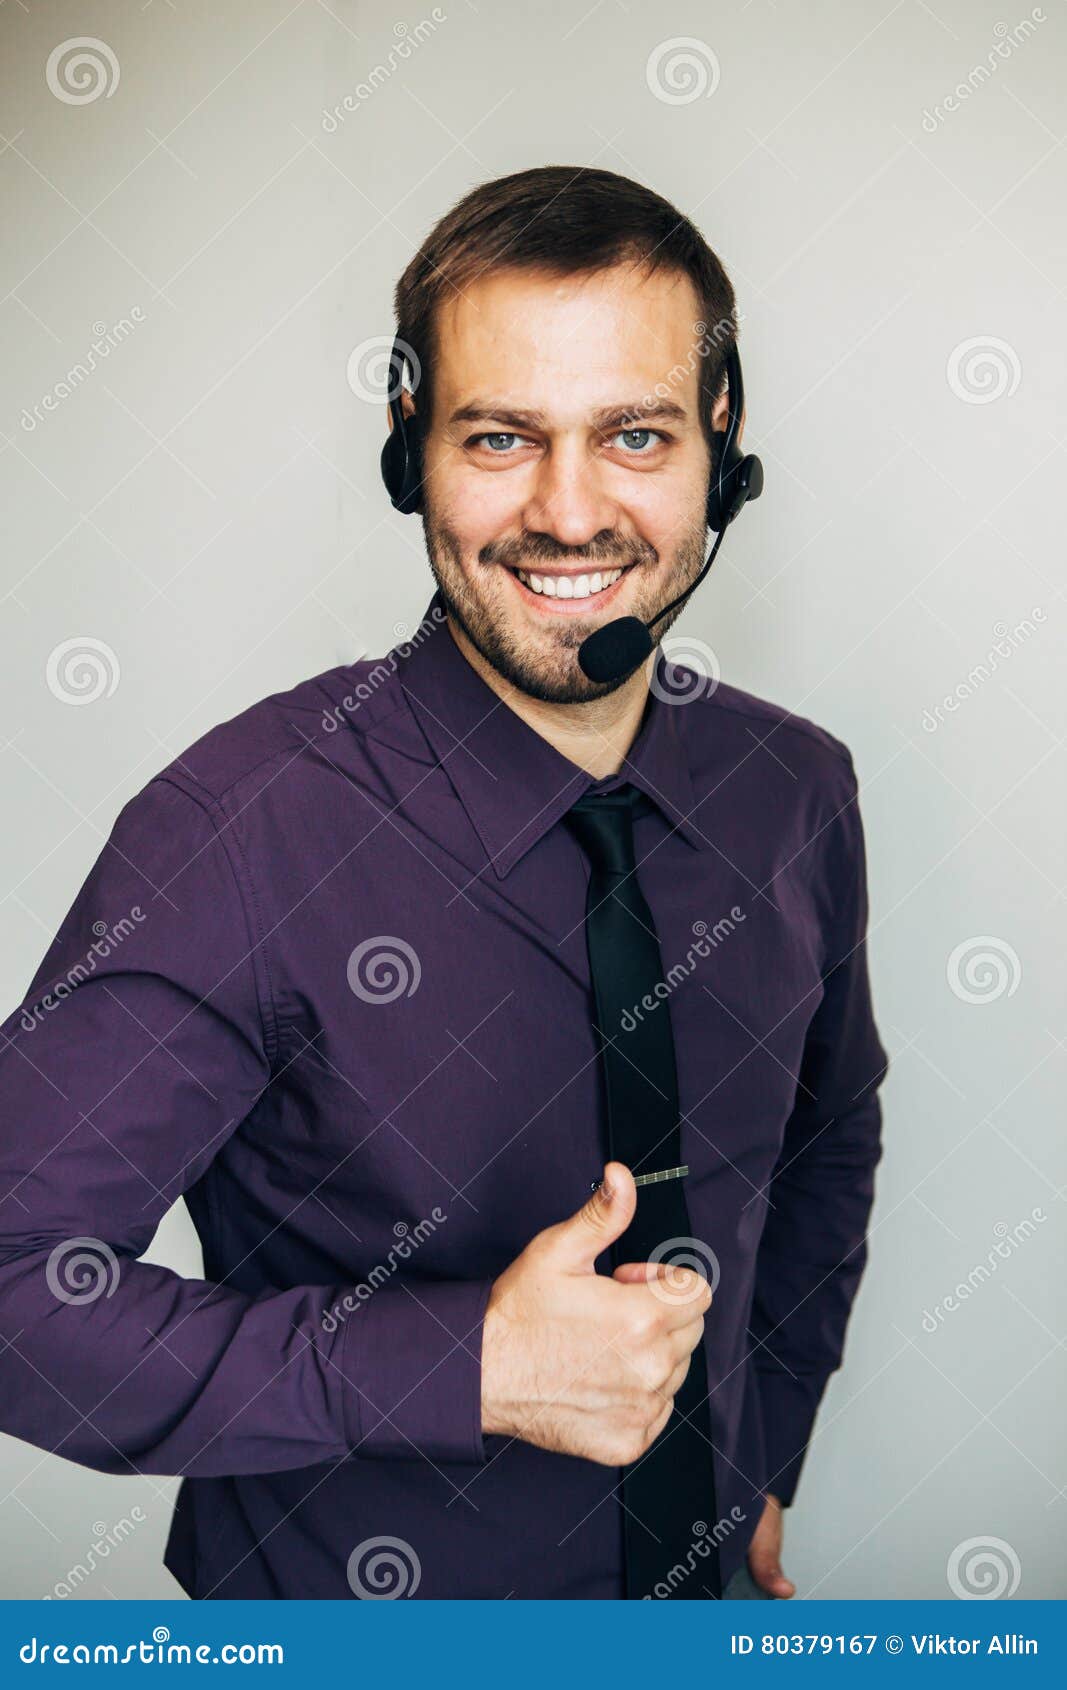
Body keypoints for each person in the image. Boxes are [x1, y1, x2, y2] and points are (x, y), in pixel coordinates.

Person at [0, 166, 888, 1601]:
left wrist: (761, 1464)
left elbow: (828, 1137)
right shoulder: (242, 830)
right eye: (500, 436)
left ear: (722, 451)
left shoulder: (794, 791)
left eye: (636, 434)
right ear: (408, 449)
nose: (569, 508)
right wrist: (463, 1360)